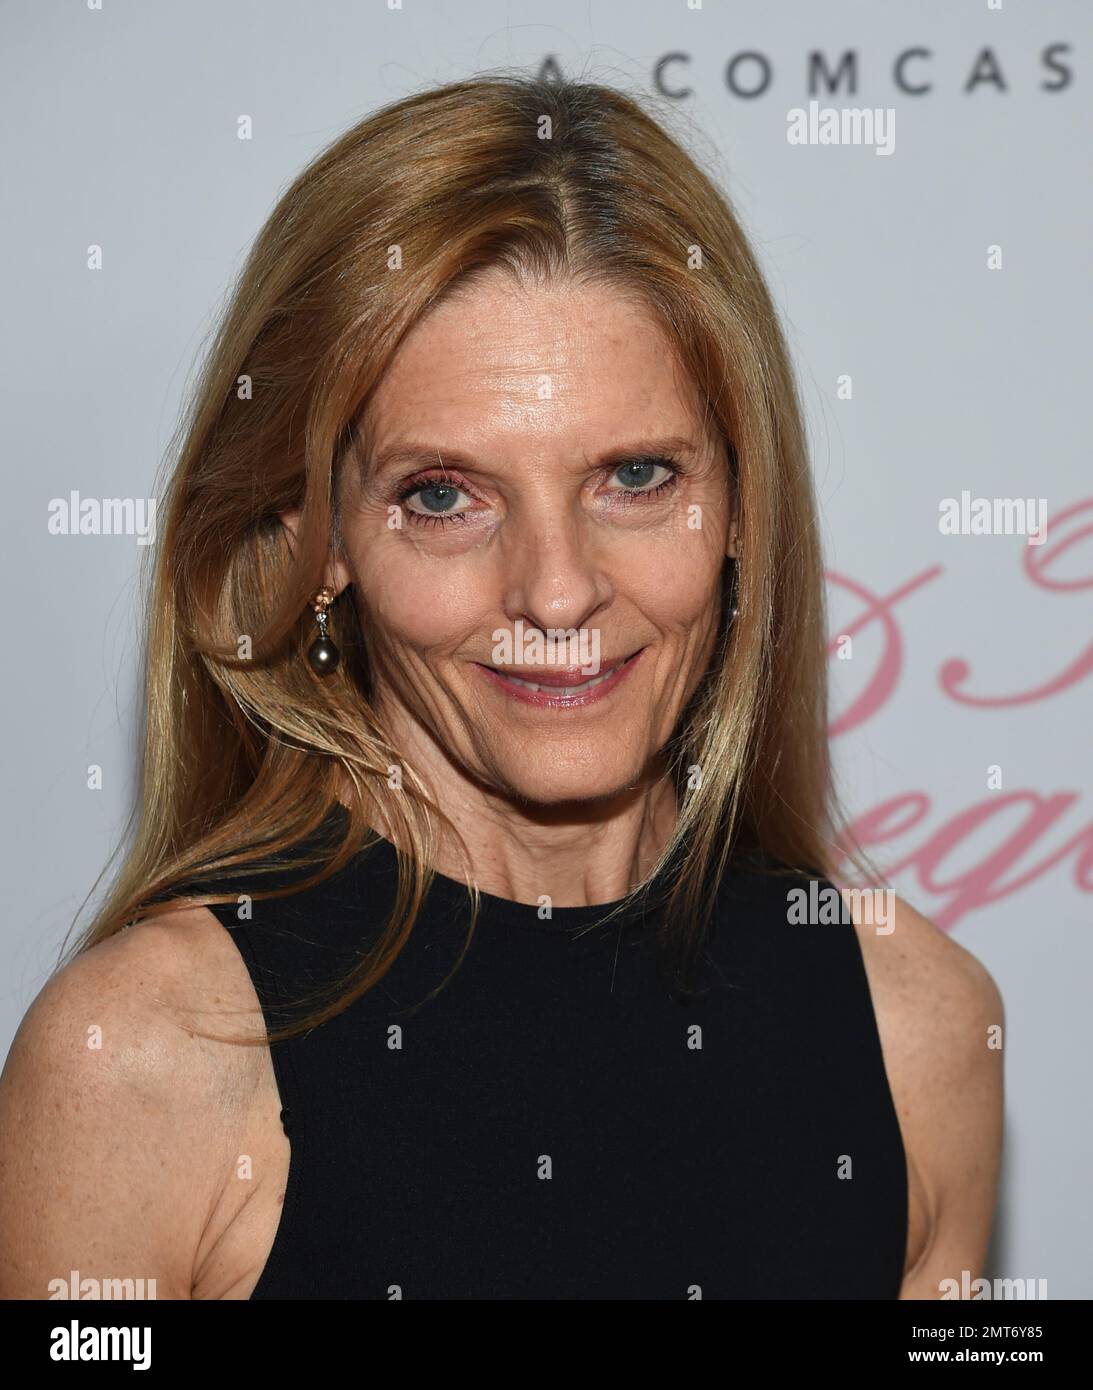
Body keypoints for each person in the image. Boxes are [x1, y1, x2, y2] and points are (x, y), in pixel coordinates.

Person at [0, 74, 1002, 1300]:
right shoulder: (143, 1066)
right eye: (441, 496)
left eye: (635, 475)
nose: (558, 591)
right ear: (319, 544)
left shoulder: (920, 1031)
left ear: (742, 508)